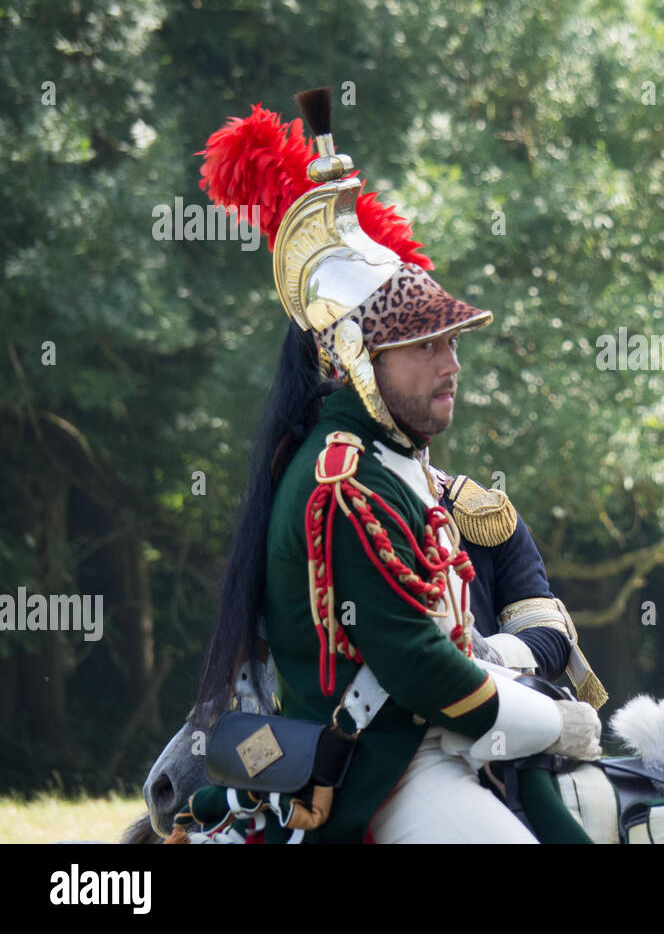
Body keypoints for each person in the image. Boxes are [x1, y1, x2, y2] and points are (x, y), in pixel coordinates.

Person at [186, 88, 604, 843]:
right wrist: (549, 716)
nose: (452, 365)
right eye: (425, 346)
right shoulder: (345, 482)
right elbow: (415, 664)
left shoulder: (389, 463)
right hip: (391, 766)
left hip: (448, 741)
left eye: (451, 342)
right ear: (355, 360)